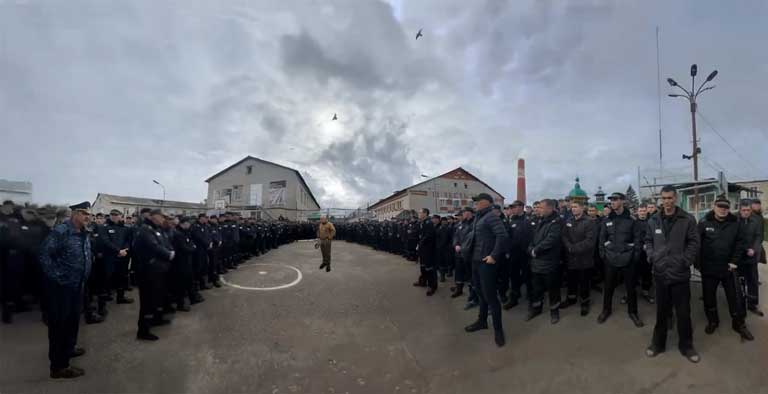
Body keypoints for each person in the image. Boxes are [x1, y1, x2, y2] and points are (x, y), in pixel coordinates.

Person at [645, 186, 701, 363]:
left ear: (675, 198)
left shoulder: (687, 219)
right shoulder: (654, 220)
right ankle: (658, 344)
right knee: (662, 312)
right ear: (660, 199)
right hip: (660, 273)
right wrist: (652, 256)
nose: (667, 201)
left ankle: (687, 346)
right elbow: (647, 240)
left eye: (670, 198)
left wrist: (685, 260)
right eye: (664, 198)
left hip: (680, 274)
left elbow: (694, 242)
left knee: (683, 313)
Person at [38, 202, 93, 379]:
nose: (87, 217)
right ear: (74, 214)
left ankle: (68, 350)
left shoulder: (84, 233)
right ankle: (59, 367)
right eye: (84, 213)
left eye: (89, 214)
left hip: (77, 286)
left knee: (72, 322)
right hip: (62, 288)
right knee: (59, 326)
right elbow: (44, 255)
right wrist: (58, 277)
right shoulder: (61, 231)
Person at [696, 196, 753, 341]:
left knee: (736, 298)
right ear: (714, 207)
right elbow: (696, 244)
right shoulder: (703, 223)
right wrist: (698, 264)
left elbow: (741, 244)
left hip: (729, 269)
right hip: (709, 269)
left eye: (725, 207)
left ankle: (738, 324)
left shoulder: (736, 224)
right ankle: (713, 321)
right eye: (720, 206)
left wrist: (734, 262)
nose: (722, 209)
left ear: (729, 209)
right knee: (709, 298)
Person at [464, 193, 509, 347]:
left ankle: (498, 330)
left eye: (478, 201)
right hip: (475, 261)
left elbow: (502, 236)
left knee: (491, 297)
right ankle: (482, 321)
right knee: (480, 293)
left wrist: (494, 255)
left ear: (486, 203)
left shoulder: (491, 216)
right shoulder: (479, 216)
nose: (475, 204)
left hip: (486, 262)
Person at [598, 192, 644, 328]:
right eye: (611, 200)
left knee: (631, 288)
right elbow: (602, 238)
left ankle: (633, 312)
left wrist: (635, 256)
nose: (612, 202)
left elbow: (637, 239)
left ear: (622, 201)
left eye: (615, 199)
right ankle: (606, 310)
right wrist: (603, 255)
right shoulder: (607, 220)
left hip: (628, 259)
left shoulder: (632, 220)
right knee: (608, 287)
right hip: (611, 258)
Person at [132, 209, 175, 341]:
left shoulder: (157, 229)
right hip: (147, 271)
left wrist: (170, 250)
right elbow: (154, 246)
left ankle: (156, 319)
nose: (163, 219)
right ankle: (143, 331)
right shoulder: (145, 229)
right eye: (161, 217)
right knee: (147, 300)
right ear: (153, 216)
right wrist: (168, 254)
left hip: (158, 270)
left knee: (157, 297)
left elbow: (165, 243)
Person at [526, 199, 563, 324]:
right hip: (536, 262)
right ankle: (536, 308)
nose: (538, 210)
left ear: (550, 208)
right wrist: (531, 248)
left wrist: (535, 250)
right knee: (537, 288)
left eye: (541, 208)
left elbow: (550, 240)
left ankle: (554, 311)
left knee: (553, 289)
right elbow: (533, 238)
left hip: (549, 262)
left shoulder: (556, 222)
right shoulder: (540, 220)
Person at [562, 200, 595, 317]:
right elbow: (564, 236)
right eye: (572, 207)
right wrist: (569, 247)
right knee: (571, 281)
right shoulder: (569, 220)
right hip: (571, 258)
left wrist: (574, 248)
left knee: (584, 283)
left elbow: (590, 241)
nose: (573, 209)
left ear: (582, 208)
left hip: (584, 259)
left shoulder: (589, 222)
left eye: (575, 207)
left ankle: (585, 303)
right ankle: (571, 299)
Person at [738, 200, 764, 316]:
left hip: (751, 256)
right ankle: (739, 303)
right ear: (740, 210)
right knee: (737, 282)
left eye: (748, 210)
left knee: (753, 281)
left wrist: (754, 249)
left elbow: (759, 236)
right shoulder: (734, 220)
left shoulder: (757, 220)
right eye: (744, 210)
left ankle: (752, 304)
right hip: (737, 257)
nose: (746, 212)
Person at [413, 208, 438, 295]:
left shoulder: (429, 223)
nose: (419, 214)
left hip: (428, 250)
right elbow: (419, 234)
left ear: (425, 213)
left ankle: (432, 286)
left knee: (430, 269)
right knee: (423, 267)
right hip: (422, 249)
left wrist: (420, 242)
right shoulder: (422, 222)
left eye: (420, 212)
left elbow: (428, 236)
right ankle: (423, 282)